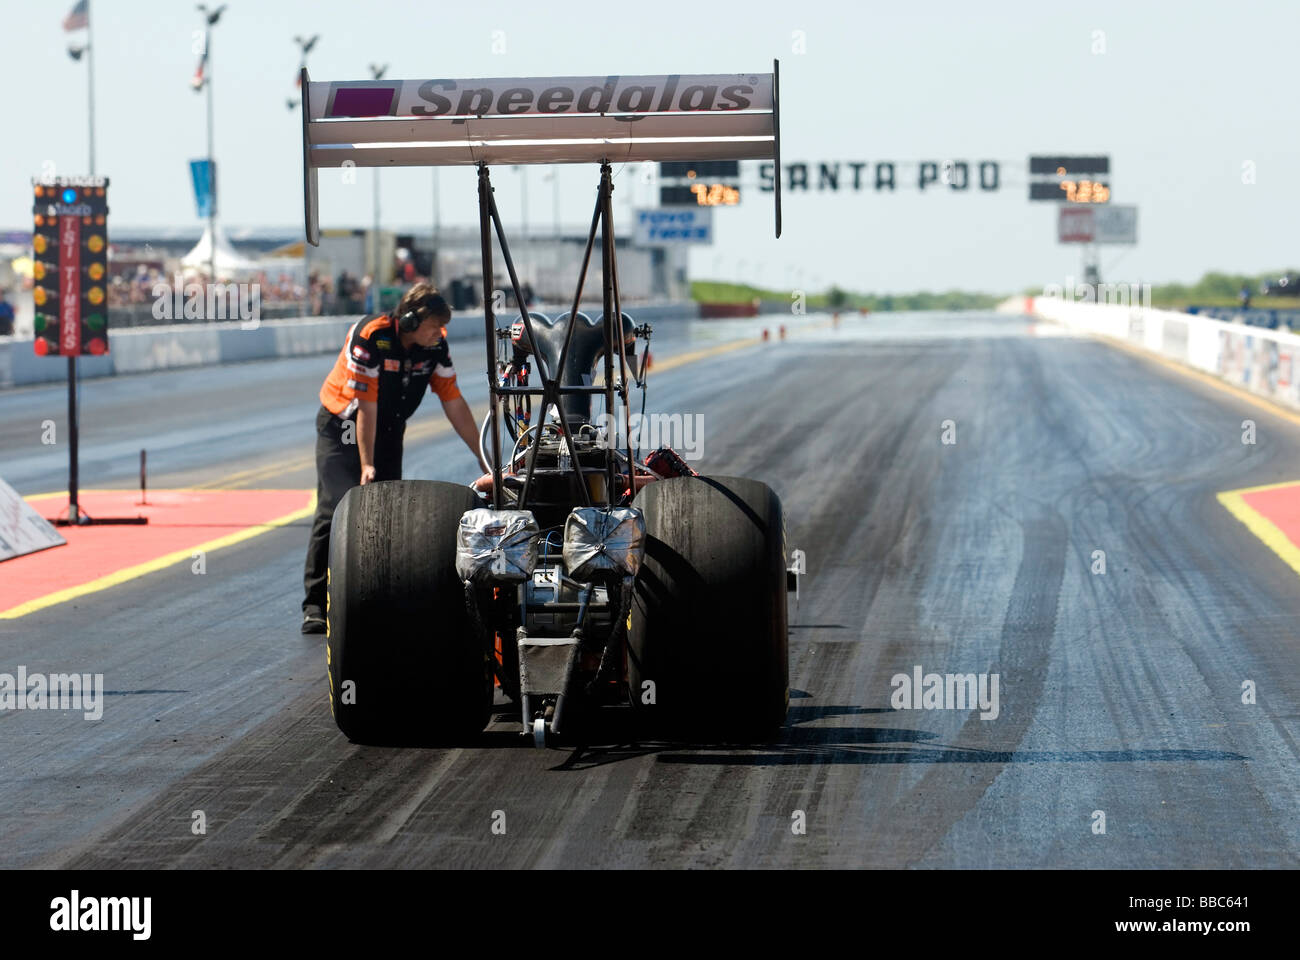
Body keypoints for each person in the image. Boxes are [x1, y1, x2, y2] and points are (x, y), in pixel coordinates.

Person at [301, 282, 487, 633]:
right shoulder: (371, 335)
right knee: (336, 507)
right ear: (412, 320)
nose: (439, 333)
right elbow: (365, 407)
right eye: (433, 326)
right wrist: (366, 463)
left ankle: (377, 599)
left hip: (388, 428)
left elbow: (453, 401)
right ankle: (314, 604)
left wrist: (481, 453)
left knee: (385, 513)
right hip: (343, 426)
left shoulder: (435, 345)